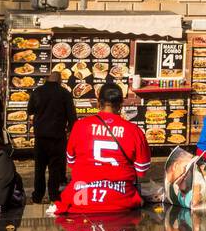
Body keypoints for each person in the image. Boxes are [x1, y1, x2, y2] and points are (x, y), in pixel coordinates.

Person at [55, 83, 151, 214]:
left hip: (81, 200)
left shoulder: (79, 126)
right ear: (121, 103)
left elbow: (71, 162)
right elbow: (141, 170)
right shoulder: (134, 131)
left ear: (98, 102)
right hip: (121, 200)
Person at [28, 70, 76, 204]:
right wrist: (70, 132)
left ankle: (37, 195)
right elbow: (72, 117)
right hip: (57, 137)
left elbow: (30, 110)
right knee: (55, 168)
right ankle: (54, 195)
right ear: (60, 80)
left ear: (48, 79)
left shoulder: (37, 92)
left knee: (39, 167)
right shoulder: (65, 93)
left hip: (40, 137)